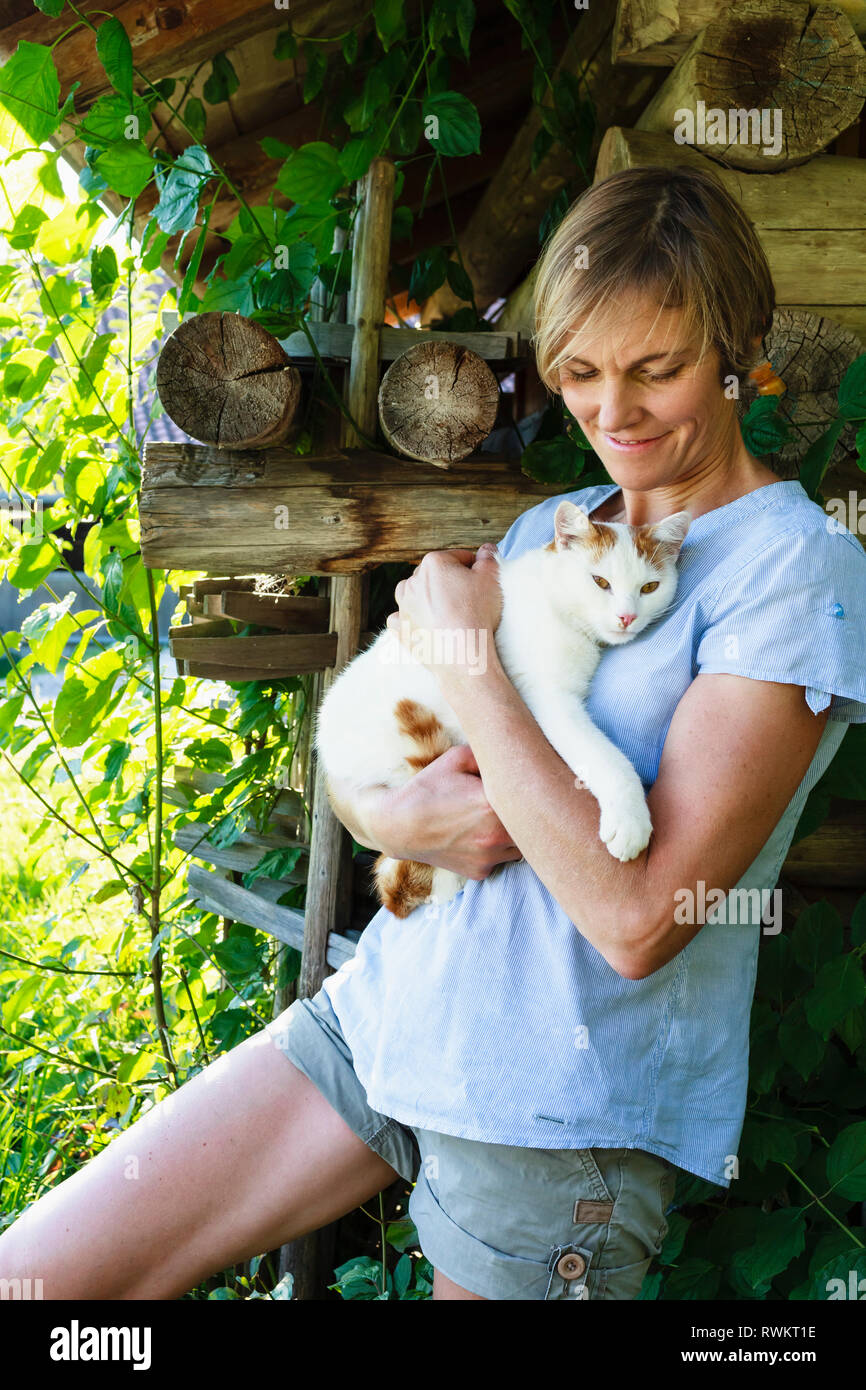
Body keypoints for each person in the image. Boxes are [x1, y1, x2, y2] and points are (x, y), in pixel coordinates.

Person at [2, 165, 865, 1302]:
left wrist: (469, 659)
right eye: (580, 373)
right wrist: (406, 814)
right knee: (37, 1282)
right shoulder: (555, 530)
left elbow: (638, 918)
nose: (612, 413)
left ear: (733, 346)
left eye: (655, 370)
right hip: (391, 1013)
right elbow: (376, 791)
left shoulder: (793, 571)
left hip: (557, 1116)